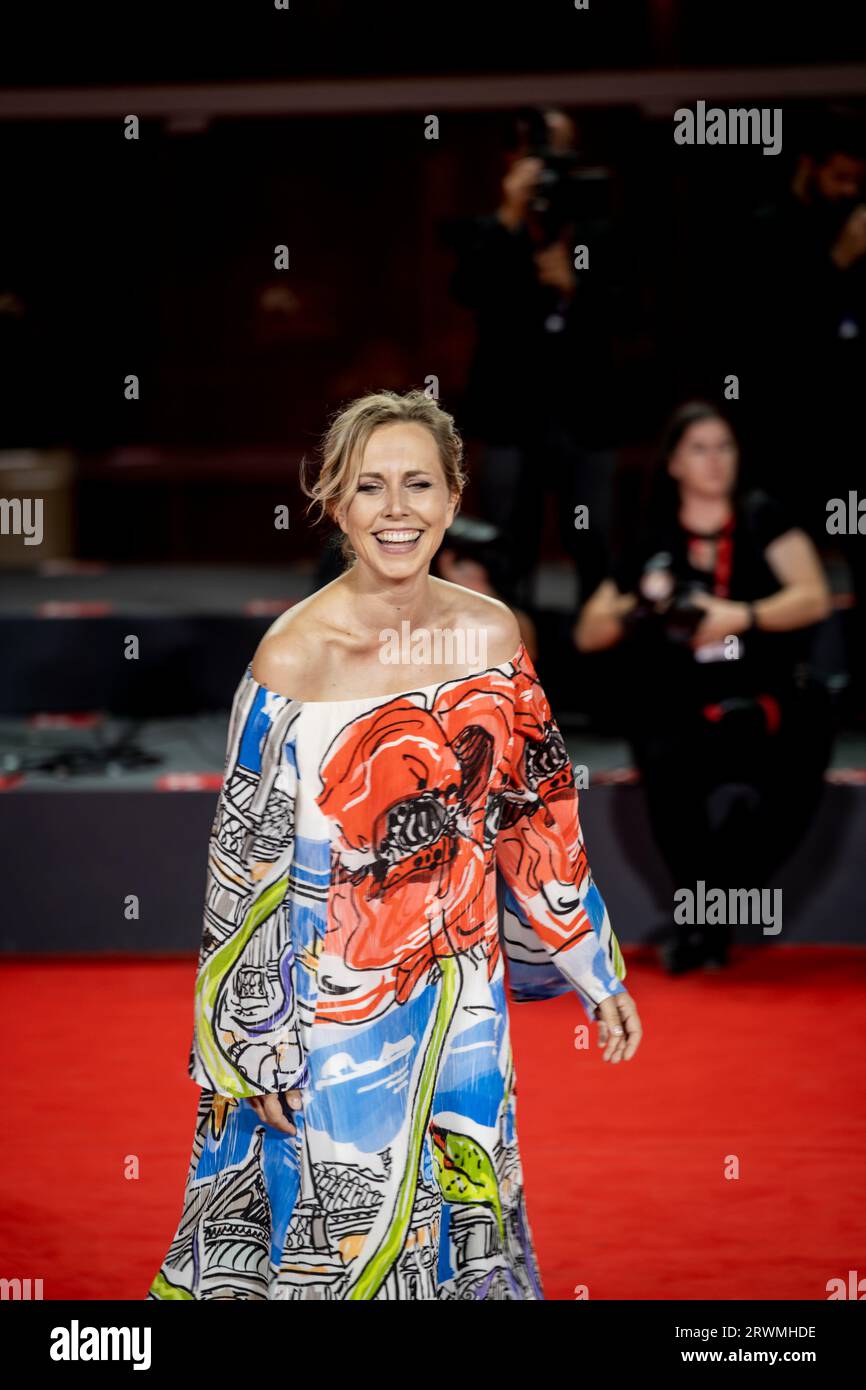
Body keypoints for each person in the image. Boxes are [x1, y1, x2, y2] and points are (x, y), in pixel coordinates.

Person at [148, 388, 641, 1301]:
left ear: (454, 498)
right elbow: (243, 872)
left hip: (464, 998)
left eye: (418, 484)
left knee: (462, 1200)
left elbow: (537, 816)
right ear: (333, 503)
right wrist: (253, 1050)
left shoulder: (493, 636)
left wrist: (592, 967)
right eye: (369, 487)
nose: (396, 509)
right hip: (327, 1008)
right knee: (344, 1233)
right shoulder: (293, 657)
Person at [575, 401, 833, 975]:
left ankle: (709, 919)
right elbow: (590, 632)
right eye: (699, 449)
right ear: (673, 463)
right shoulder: (653, 536)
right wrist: (644, 604)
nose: (715, 461)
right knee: (663, 756)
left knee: (808, 736)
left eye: (724, 447)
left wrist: (743, 614)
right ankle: (706, 926)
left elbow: (813, 596)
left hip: (764, 694)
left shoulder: (762, 517)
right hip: (682, 701)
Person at [446, 107, 621, 609]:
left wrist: (575, 288)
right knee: (506, 540)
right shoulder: (492, 229)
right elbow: (466, 289)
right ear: (512, 158)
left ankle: (594, 644)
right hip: (510, 414)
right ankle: (510, 647)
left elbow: (632, 314)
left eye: (559, 150)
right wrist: (509, 214)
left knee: (593, 538)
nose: (549, 163)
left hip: (586, 414)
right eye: (537, 151)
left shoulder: (599, 227)